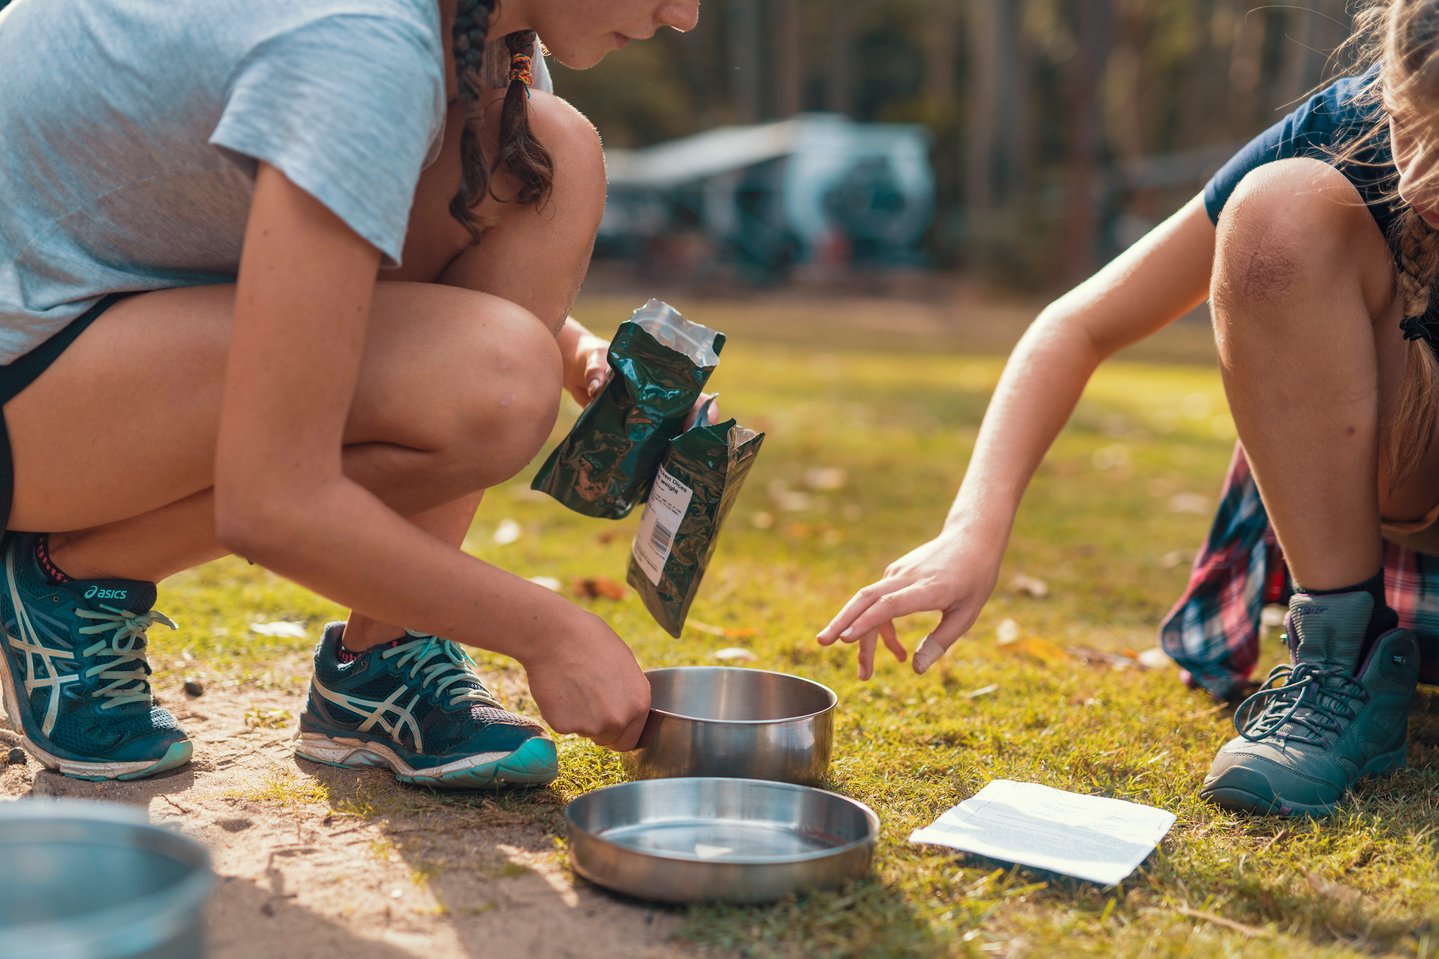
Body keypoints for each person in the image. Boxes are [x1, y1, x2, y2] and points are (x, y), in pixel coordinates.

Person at [0, 0, 700, 787]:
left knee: (548, 157)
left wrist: (572, 349)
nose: (684, 16)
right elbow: (275, 502)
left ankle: (382, 658)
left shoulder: (480, 33)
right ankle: (65, 584)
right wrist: (550, 633)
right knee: (494, 380)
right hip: (26, 373)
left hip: (103, 330)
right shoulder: (363, 42)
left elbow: (324, 239)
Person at [819, 0, 1439, 817]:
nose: (1417, 182)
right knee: (1274, 208)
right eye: (1408, 128)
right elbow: (1075, 324)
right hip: (1400, 496)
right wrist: (972, 528)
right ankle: (1343, 661)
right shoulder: (1347, 122)